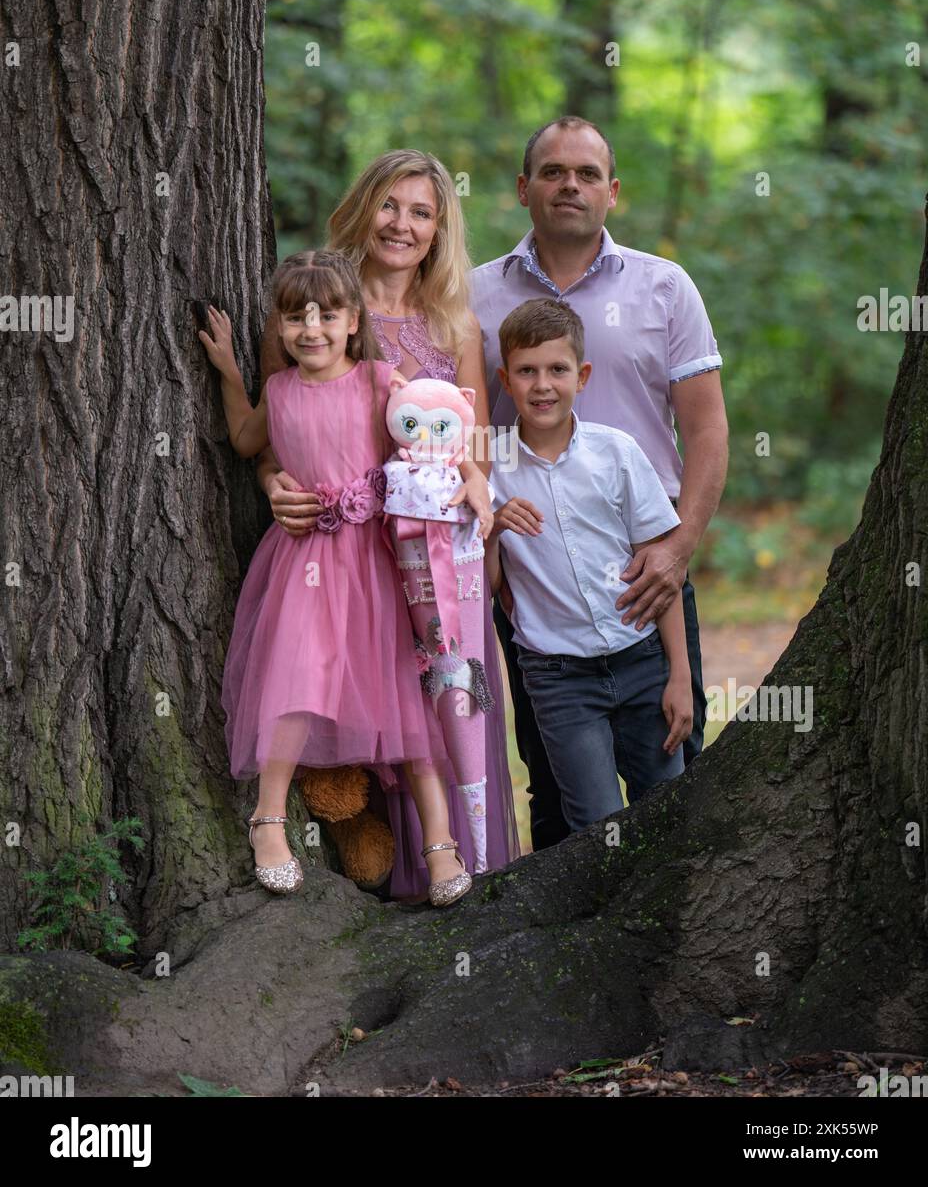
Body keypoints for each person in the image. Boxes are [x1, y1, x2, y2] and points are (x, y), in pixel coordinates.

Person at [252, 152, 521, 898]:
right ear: (364, 207)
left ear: (439, 231)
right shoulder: (318, 304)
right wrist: (273, 483)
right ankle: (380, 881)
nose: (402, 224)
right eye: (390, 205)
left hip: (431, 551)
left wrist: (475, 480)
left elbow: (475, 440)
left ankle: (462, 866)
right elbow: (281, 428)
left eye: (422, 212)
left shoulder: (454, 322)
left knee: (438, 695)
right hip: (341, 551)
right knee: (354, 692)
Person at [197, 250, 490, 906]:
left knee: (406, 697)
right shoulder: (278, 391)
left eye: (327, 315)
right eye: (295, 316)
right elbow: (247, 439)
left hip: (378, 562)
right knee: (295, 682)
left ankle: (439, 846)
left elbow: (434, 436)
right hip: (304, 561)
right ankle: (267, 820)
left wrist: (471, 476)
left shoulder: (380, 382)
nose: (311, 328)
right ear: (277, 326)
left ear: (352, 321)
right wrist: (226, 371)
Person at [471, 115, 727, 851]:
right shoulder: (475, 296)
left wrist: (677, 551)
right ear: (525, 189)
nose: (569, 185)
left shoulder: (664, 287)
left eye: (586, 174)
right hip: (538, 584)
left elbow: (708, 433)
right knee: (555, 783)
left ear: (612, 192)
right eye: (552, 171)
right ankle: (571, 947)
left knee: (671, 760)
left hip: (647, 567)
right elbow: (458, 431)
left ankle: (673, 933)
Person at [484, 298, 693, 830]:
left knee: (664, 811)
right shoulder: (492, 469)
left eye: (557, 370)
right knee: (596, 825)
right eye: (527, 372)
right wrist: (494, 528)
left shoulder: (618, 453)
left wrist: (680, 677)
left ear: (582, 375)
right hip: (558, 678)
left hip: (642, 659)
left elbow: (661, 571)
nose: (542, 385)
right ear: (506, 381)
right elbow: (488, 588)